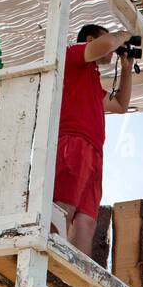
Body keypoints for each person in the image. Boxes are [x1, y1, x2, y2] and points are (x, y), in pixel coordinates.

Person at [53, 23, 135, 258]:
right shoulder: (73, 53)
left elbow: (120, 105)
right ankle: (48, 265)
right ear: (90, 39)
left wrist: (127, 68)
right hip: (74, 141)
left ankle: (75, 282)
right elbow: (108, 43)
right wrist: (126, 33)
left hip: (94, 151)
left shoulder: (90, 78)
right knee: (63, 210)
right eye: (106, 39)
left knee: (86, 222)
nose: (113, 50)